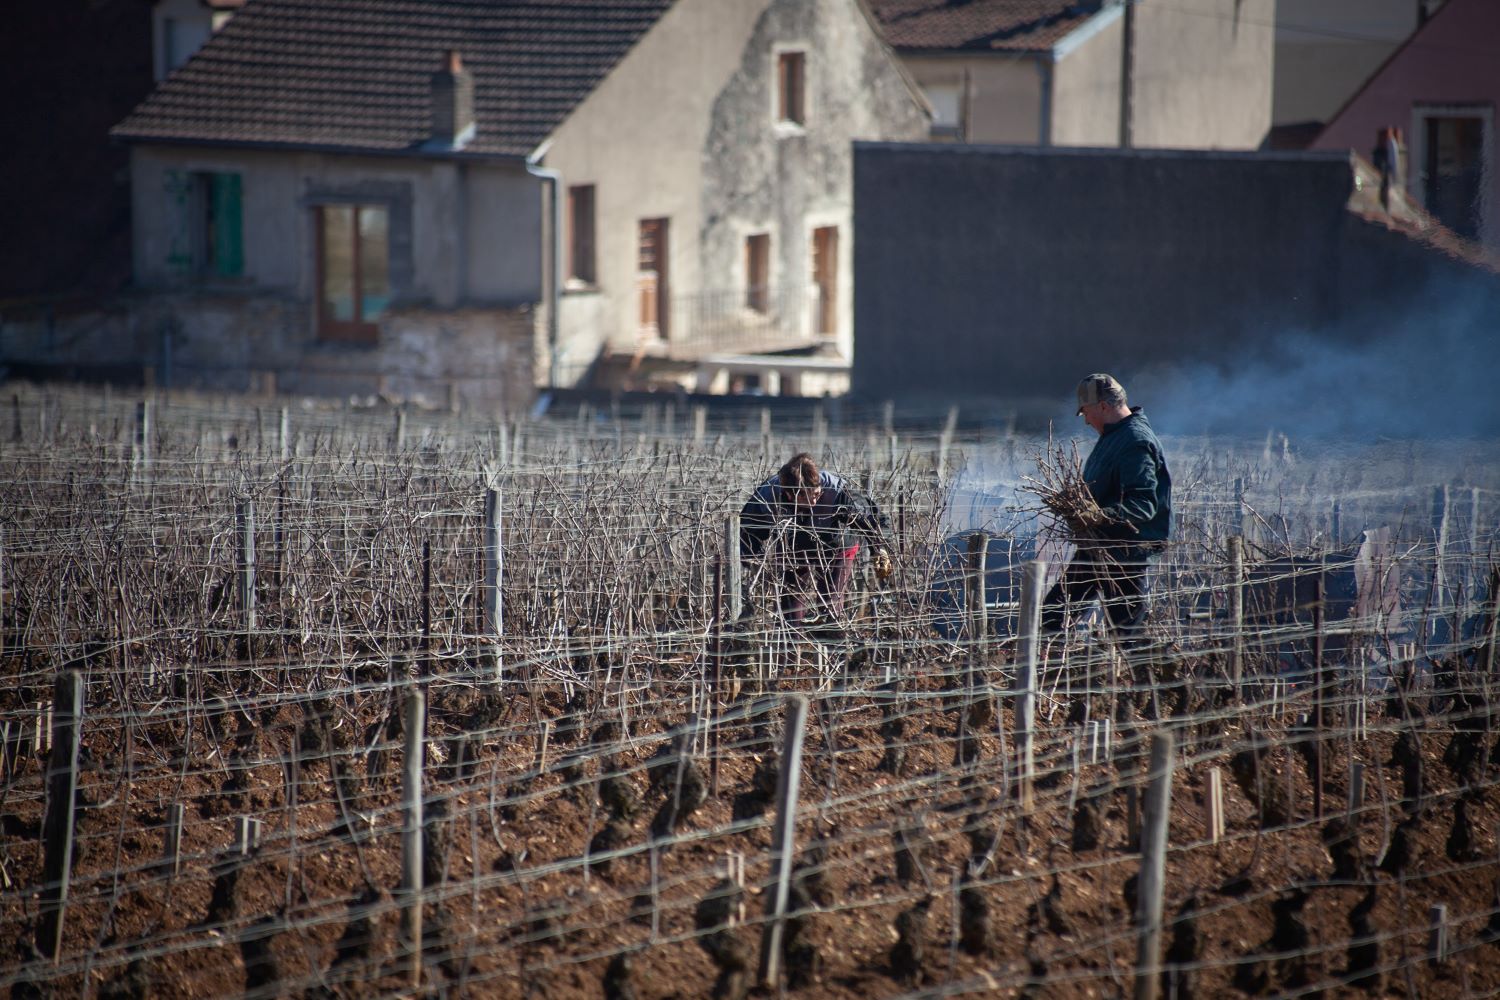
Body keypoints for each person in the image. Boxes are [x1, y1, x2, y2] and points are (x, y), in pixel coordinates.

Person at [1041, 373, 1172, 647]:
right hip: (1100, 547)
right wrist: (1077, 501)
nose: (1086, 420)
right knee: (1053, 613)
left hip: (1124, 554)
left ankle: (1162, 686)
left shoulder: (1134, 441)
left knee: (1128, 634)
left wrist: (1098, 515)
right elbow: (1106, 488)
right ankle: (1059, 674)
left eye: (1086, 412)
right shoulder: (1115, 436)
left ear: (1102, 406)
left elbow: (1144, 504)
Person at [739, 452, 893, 623]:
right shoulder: (768, 496)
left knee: (831, 604)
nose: (813, 501)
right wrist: (759, 566)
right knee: (790, 609)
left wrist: (880, 549)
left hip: (836, 546)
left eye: (816, 494)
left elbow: (873, 519)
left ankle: (833, 643)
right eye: (805, 496)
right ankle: (792, 646)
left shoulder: (837, 491)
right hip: (792, 547)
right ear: (789, 494)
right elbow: (747, 532)